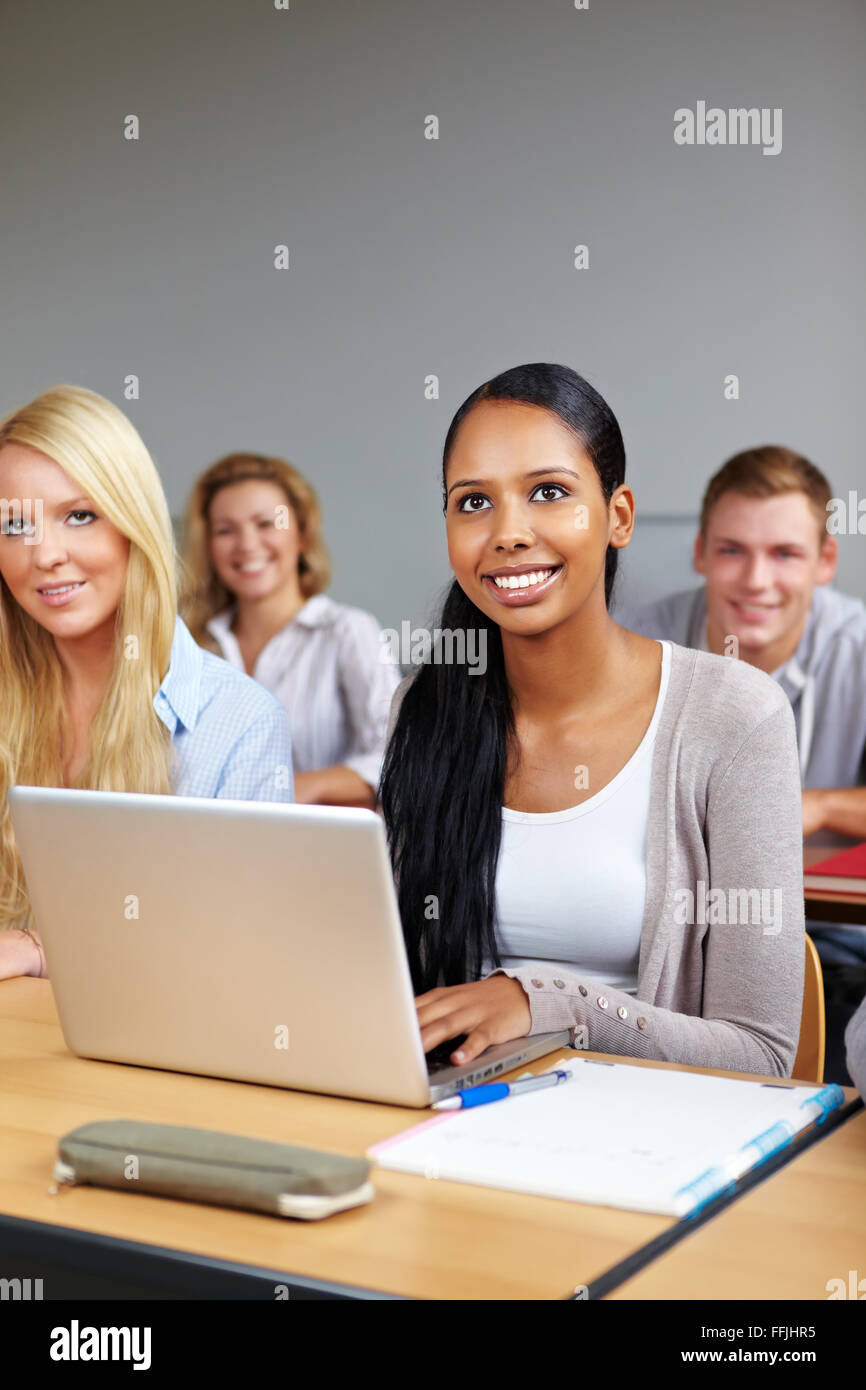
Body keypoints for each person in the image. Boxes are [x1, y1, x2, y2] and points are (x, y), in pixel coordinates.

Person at [380, 363, 805, 1077]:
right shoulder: (425, 705)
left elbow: (760, 1055)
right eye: (473, 502)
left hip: (648, 1142)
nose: (509, 532)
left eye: (549, 493)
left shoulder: (735, 716)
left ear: (619, 516)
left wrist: (543, 1002)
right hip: (454, 1120)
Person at [0, 386, 293, 981]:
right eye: (14, 524)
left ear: (131, 525)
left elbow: (239, 952)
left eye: (79, 515)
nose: (45, 554)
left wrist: (37, 947)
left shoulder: (236, 719)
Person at [618, 446, 866, 1081]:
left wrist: (821, 805)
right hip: (663, 936)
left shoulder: (860, 649)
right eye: (732, 550)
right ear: (700, 552)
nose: (756, 581)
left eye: (785, 554)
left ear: (825, 562)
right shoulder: (636, 641)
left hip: (838, 947)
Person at [181, 453, 401, 809]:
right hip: (214, 852)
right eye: (225, 530)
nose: (247, 544)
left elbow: (399, 755)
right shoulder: (190, 646)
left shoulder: (347, 632)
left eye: (266, 523)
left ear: (302, 535)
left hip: (322, 855)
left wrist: (292, 788)